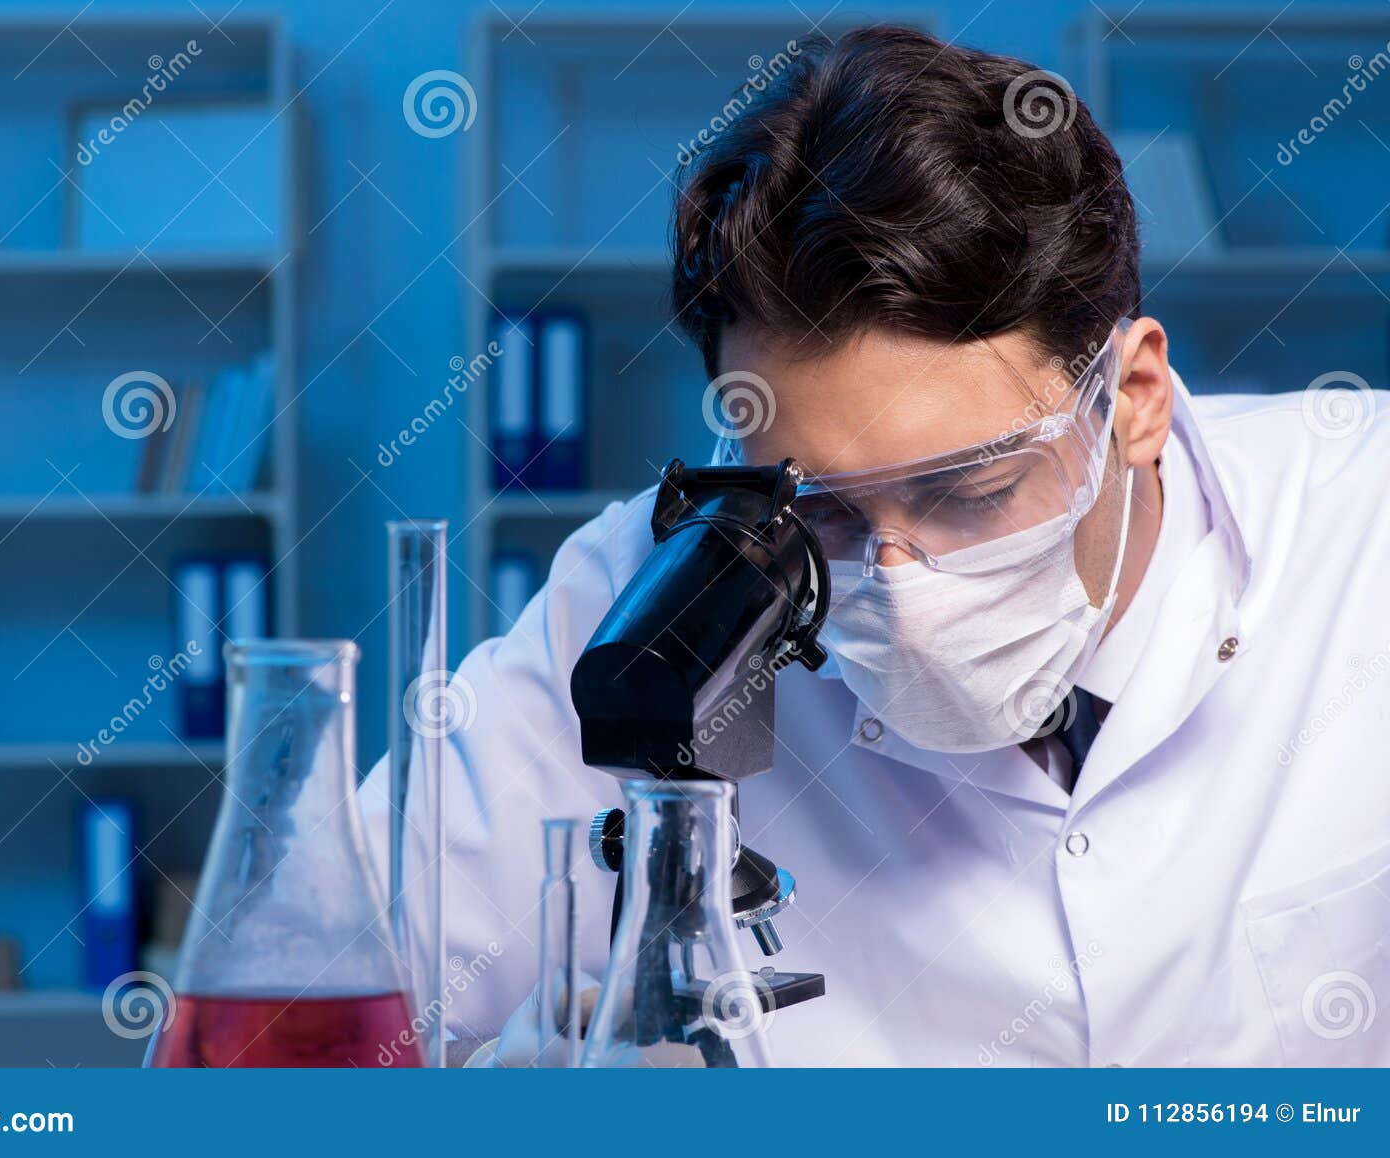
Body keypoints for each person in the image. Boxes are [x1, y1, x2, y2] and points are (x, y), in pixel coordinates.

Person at [366, 25, 1390, 1065]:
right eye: (823, 514)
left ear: (1132, 398)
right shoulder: (640, 599)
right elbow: (291, 1011)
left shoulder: (1365, 528)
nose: (900, 592)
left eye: (971, 490)